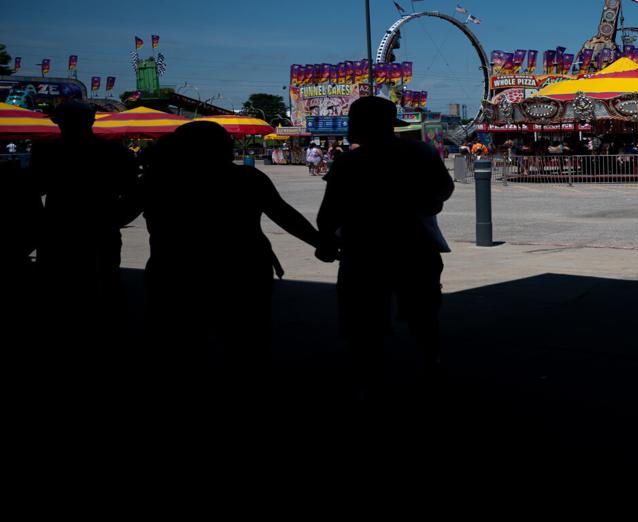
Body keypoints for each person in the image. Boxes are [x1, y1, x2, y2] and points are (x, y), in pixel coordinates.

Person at [140, 120, 334, 397]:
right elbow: (284, 215)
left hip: (174, 271)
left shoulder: (157, 181)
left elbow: (116, 216)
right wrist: (321, 244)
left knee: (180, 343)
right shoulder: (247, 179)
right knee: (245, 343)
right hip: (243, 271)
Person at [317, 95, 454, 393]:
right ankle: (432, 364)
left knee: (364, 319)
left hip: (363, 251)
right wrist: (428, 203)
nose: (350, 127)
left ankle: (370, 377)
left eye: (353, 121)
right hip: (416, 246)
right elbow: (444, 189)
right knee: (423, 313)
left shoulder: (349, 162)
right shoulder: (422, 153)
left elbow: (329, 211)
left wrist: (326, 239)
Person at [26, 100, 139, 356]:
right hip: (92, 228)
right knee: (103, 285)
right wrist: (115, 219)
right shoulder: (115, 153)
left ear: (58, 121)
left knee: (61, 292)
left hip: (61, 229)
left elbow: (33, 190)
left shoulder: (47, 152)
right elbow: (133, 196)